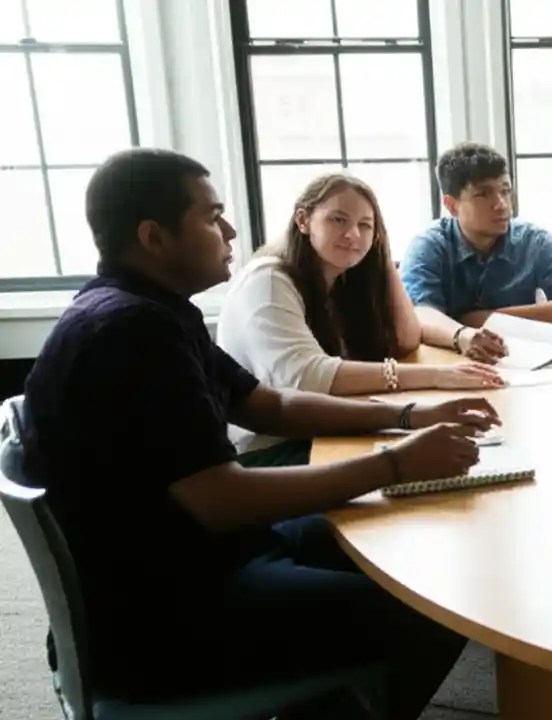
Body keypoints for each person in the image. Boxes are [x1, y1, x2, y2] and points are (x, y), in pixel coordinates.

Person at [20, 148, 500, 719]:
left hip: (189, 556)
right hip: (164, 613)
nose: (229, 229)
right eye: (211, 216)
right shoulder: (130, 333)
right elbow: (221, 500)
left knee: (392, 526)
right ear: (154, 237)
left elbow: (266, 403)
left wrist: (407, 416)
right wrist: (395, 463)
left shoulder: (148, 308)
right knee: (433, 608)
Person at [218, 172, 504, 459]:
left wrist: (381, 251)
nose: (353, 234)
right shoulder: (268, 279)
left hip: (324, 432)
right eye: (338, 220)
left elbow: (405, 338)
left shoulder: (340, 279)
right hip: (272, 450)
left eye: (365, 225)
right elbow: (308, 379)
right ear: (303, 221)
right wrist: (438, 376)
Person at [400, 142, 552, 331]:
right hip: (447, 356)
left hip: (518, 355)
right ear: (452, 205)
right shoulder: (429, 245)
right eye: (483, 194)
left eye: (505, 191)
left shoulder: (534, 241)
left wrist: (489, 320)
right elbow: (420, 315)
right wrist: (466, 333)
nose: (501, 205)